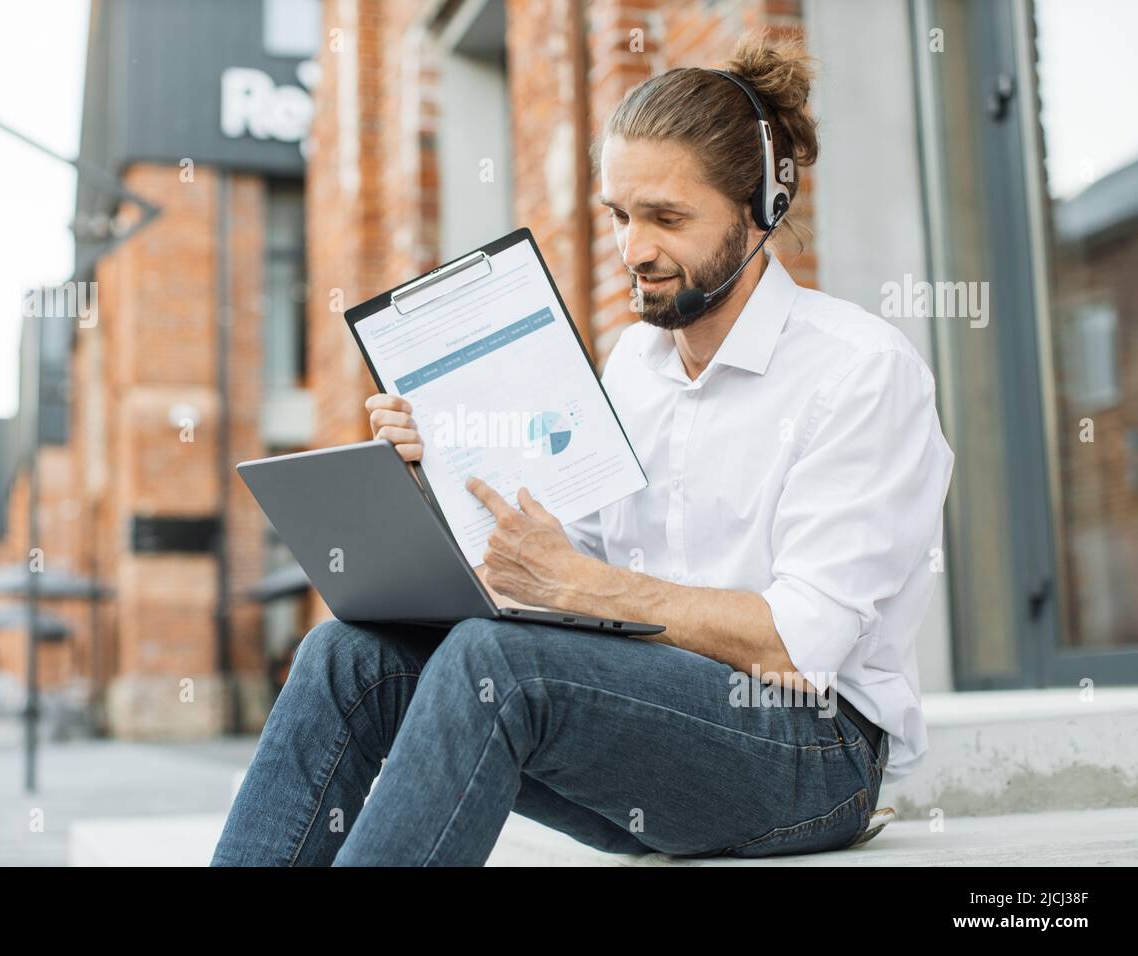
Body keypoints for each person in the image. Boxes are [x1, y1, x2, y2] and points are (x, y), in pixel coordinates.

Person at [212, 32, 954, 866]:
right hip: (648, 740)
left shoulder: (860, 371)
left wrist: (582, 582)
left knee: (500, 664)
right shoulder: (634, 367)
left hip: (812, 757)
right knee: (349, 654)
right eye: (620, 216)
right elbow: (559, 587)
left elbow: (794, 645)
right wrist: (445, 481)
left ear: (763, 208)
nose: (633, 250)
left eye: (667, 218)